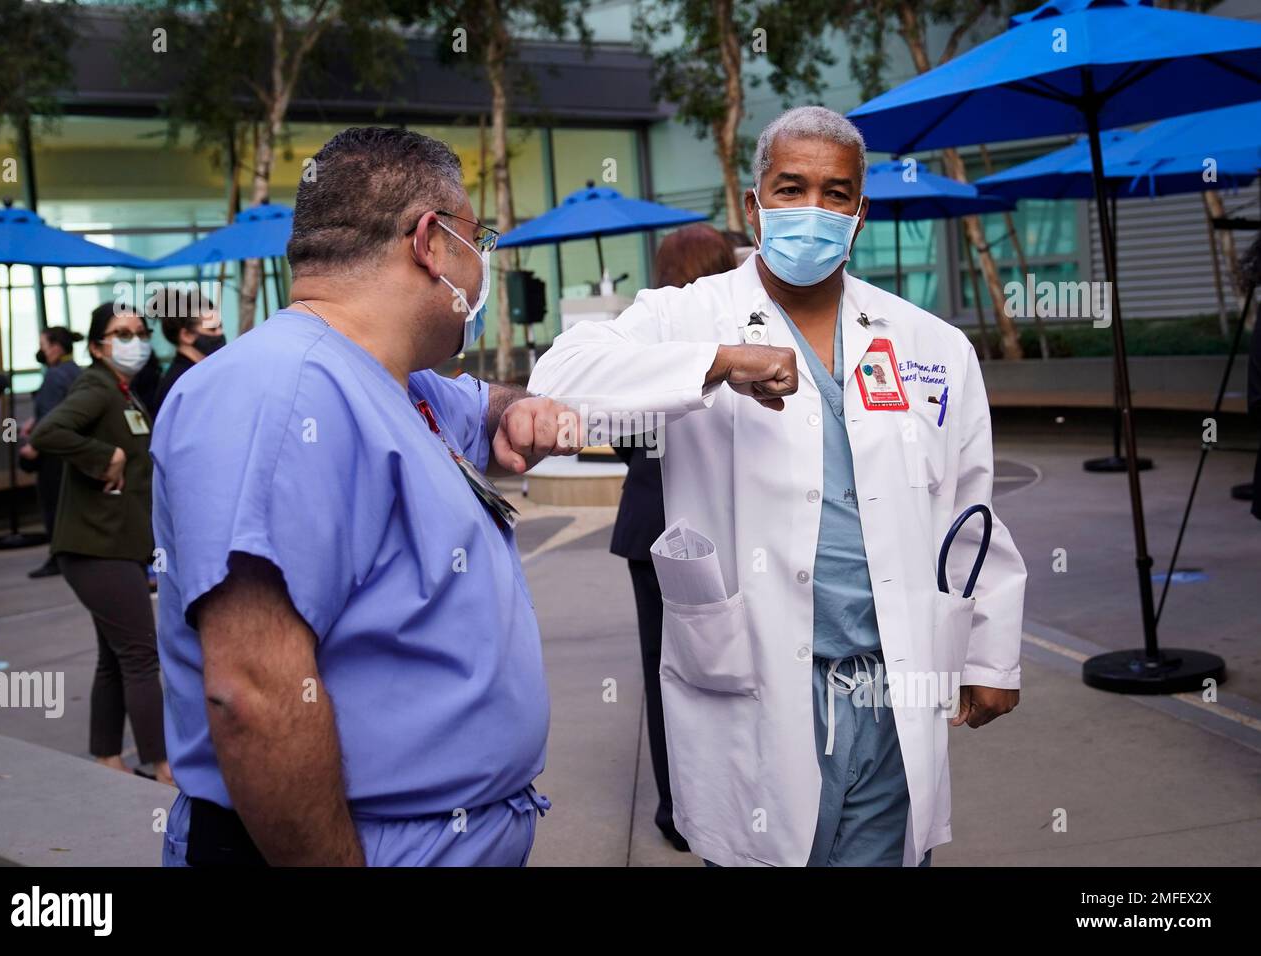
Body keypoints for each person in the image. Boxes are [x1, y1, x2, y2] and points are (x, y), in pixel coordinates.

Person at [529, 106, 1027, 867]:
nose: (814, 211)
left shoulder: (931, 345)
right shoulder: (690, 316)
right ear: (753, 203)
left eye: (837, 193)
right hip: (756, 677)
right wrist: (717, 361)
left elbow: (969, 504)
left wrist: (992, 655)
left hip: (894, 682)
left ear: (860, 213)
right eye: (791, 188)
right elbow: (558, 384)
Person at [152, 126, 580, 867]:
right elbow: (254, 694)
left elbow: (485, 407)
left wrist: (516, 411)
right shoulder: (279, 392)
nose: (483, 267)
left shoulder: (395, 382)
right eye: (480, 240)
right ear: (431, 241)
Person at [610, 224, 736, 853]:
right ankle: (728, 799)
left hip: (646, 525)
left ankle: (675, 810)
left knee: (665, 670)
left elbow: (621, 438)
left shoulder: (645, 342)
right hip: (719, 529)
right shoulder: (735, 343)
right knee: (729, 664)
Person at [30, 303, 172, 785]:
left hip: (116, 544)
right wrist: (102, 455)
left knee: (115, 655)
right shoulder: (95, 385)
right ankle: (165, 766)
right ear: (96, 346)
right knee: (140, 655)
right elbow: (49, 431)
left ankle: (108, 759)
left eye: (140, 332)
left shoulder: (123, 392)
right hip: (95, 548)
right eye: (120, 333)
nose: (134, 341)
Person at [19, 326, 84, 578]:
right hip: (72, 451)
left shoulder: (54, 376)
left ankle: (58, 557)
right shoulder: (77, 372)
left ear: (56, 348)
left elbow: (50, 417)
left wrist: (33, 446)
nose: (41, 351)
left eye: (44, 345)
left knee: (53, 507)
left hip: (52, 456)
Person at [152, 288, 224, 414]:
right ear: (186, 335)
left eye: (220, 326)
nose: (220, 333)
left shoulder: (198, 373)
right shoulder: (183, 381)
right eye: (212, 329)